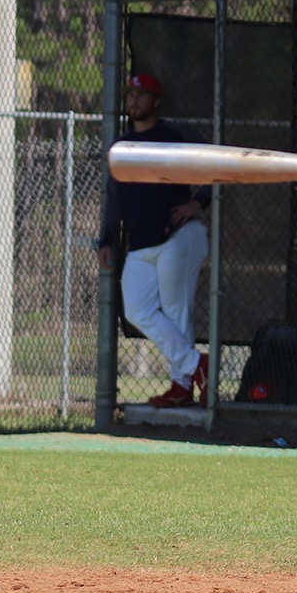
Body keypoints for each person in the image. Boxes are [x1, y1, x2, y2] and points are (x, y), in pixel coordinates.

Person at [97, 73, 211, 407]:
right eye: (131, 95)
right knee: (136, 309)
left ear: (156, 101)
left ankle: (182, 386)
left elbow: (215, 162)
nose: (134, 101)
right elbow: (114, 196)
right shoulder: (123, 145)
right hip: (140, 243)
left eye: (142, 95)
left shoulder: (175, 135)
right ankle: (196, 366)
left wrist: (197, 202)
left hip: (176, 237)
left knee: (176, 313)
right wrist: (107, 238)